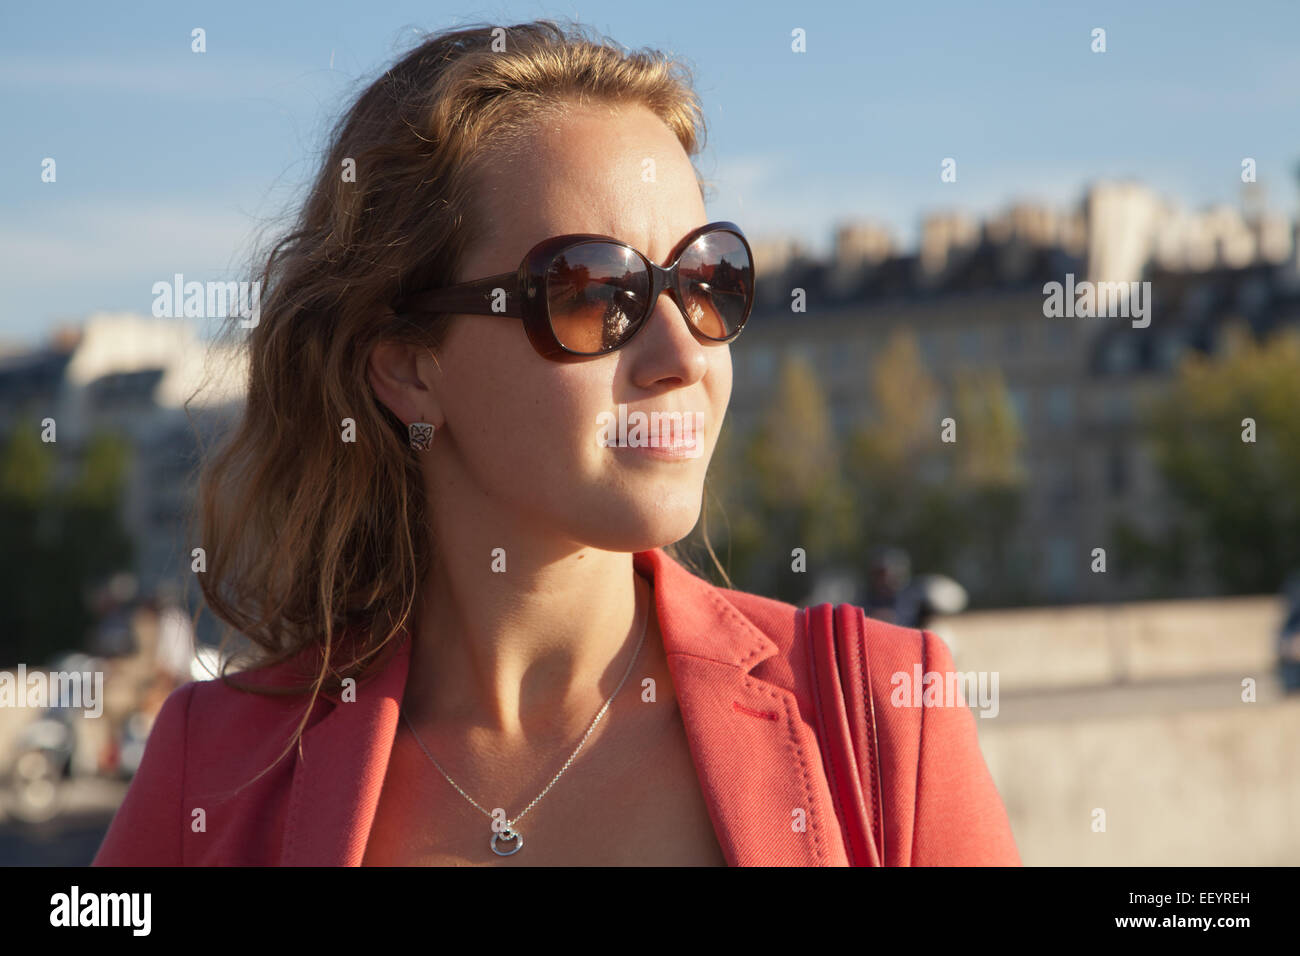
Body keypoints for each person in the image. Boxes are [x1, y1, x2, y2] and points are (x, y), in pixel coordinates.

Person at [92, 19, 1019, 867]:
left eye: (708, 281)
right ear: (410, 367)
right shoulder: (212, 773)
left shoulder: (880, 718)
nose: (682, 353)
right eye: (589, 292)